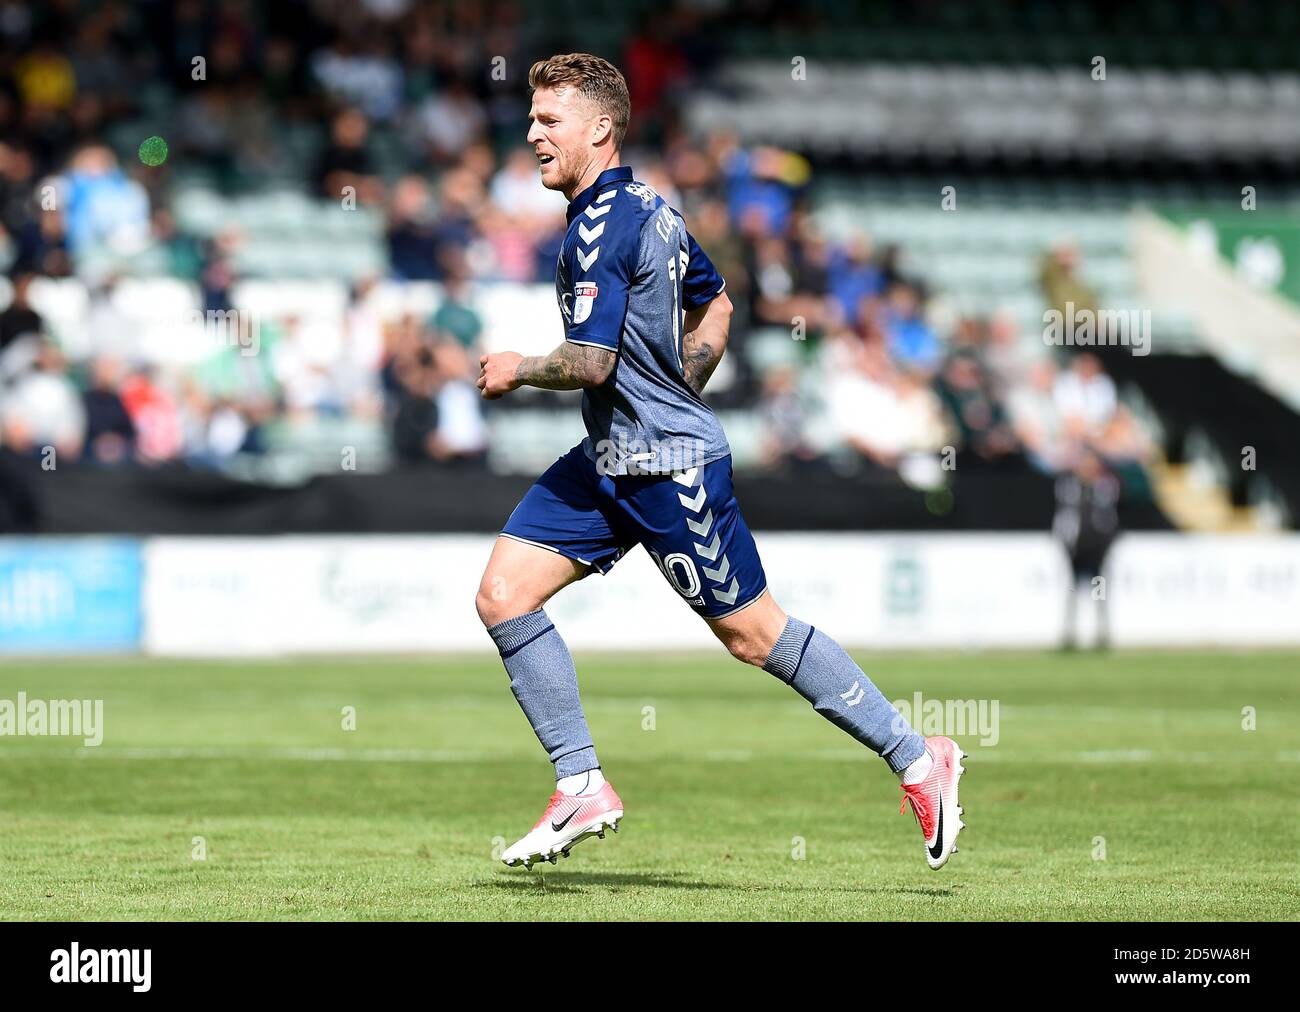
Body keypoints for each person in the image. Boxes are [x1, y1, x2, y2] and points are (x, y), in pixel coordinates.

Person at [474, 54, 967, 871]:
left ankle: (920, 760)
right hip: (608, 458)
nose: (531, 135)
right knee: (502, 595)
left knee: (753, 635)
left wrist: (520, 366)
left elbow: (592, 363)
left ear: (599, 128)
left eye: (547, 121)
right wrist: (684, 377)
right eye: (531, 120)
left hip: (668, 466)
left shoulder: (603, 224)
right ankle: (581, 783)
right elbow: (719, 299)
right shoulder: (649, 209)